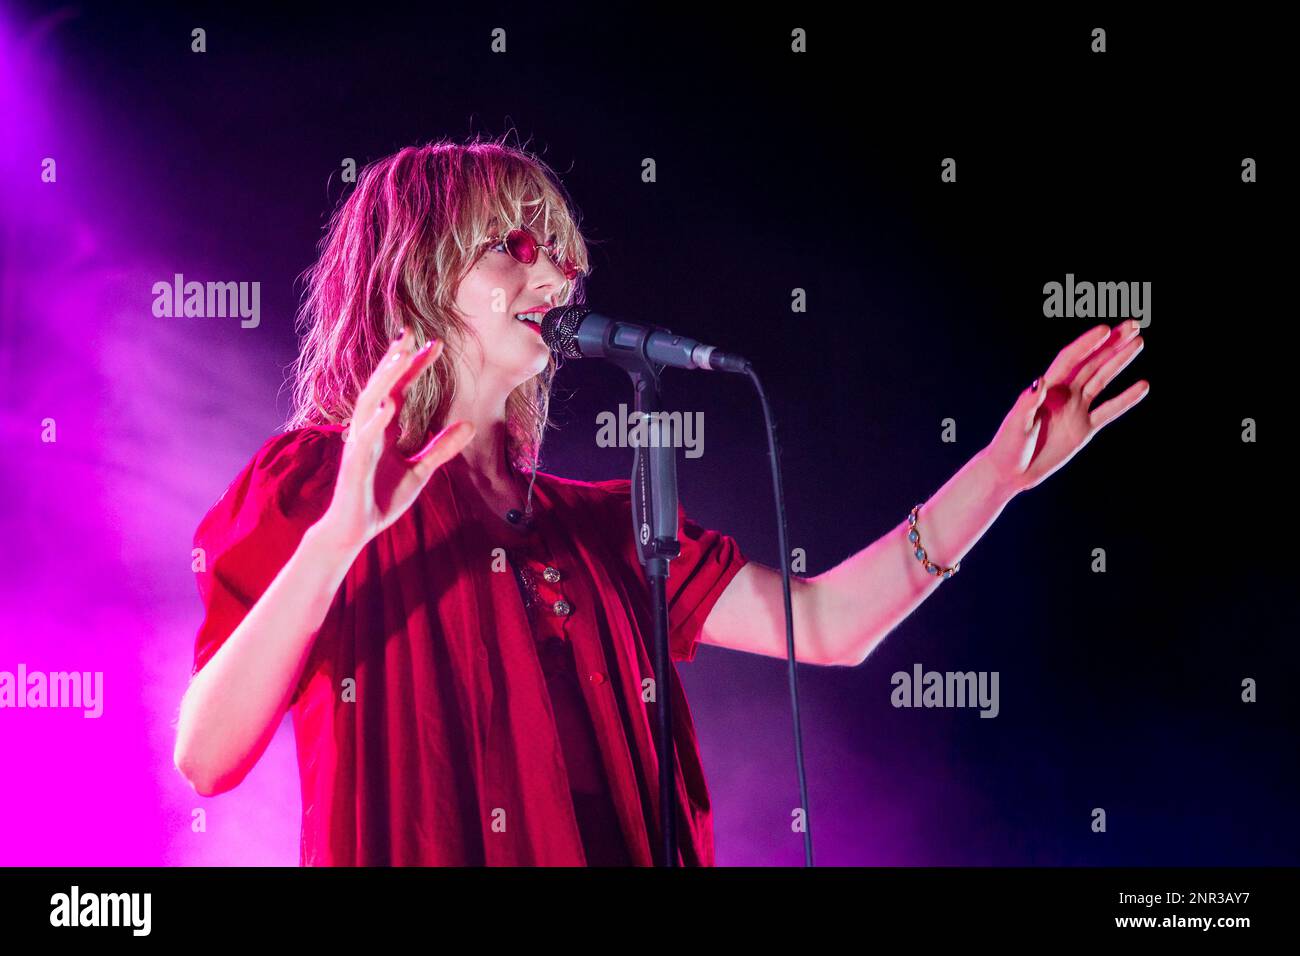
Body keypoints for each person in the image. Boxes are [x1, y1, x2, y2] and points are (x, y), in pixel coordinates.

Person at [173, 135, 1149, 866]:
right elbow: (207, 755)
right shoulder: (310, 481)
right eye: (514, 245)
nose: (555, 274)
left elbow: (833, 623)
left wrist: (998, 470)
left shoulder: (602, 526)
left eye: (559, 251)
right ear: (420, 267)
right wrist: (342, 535)